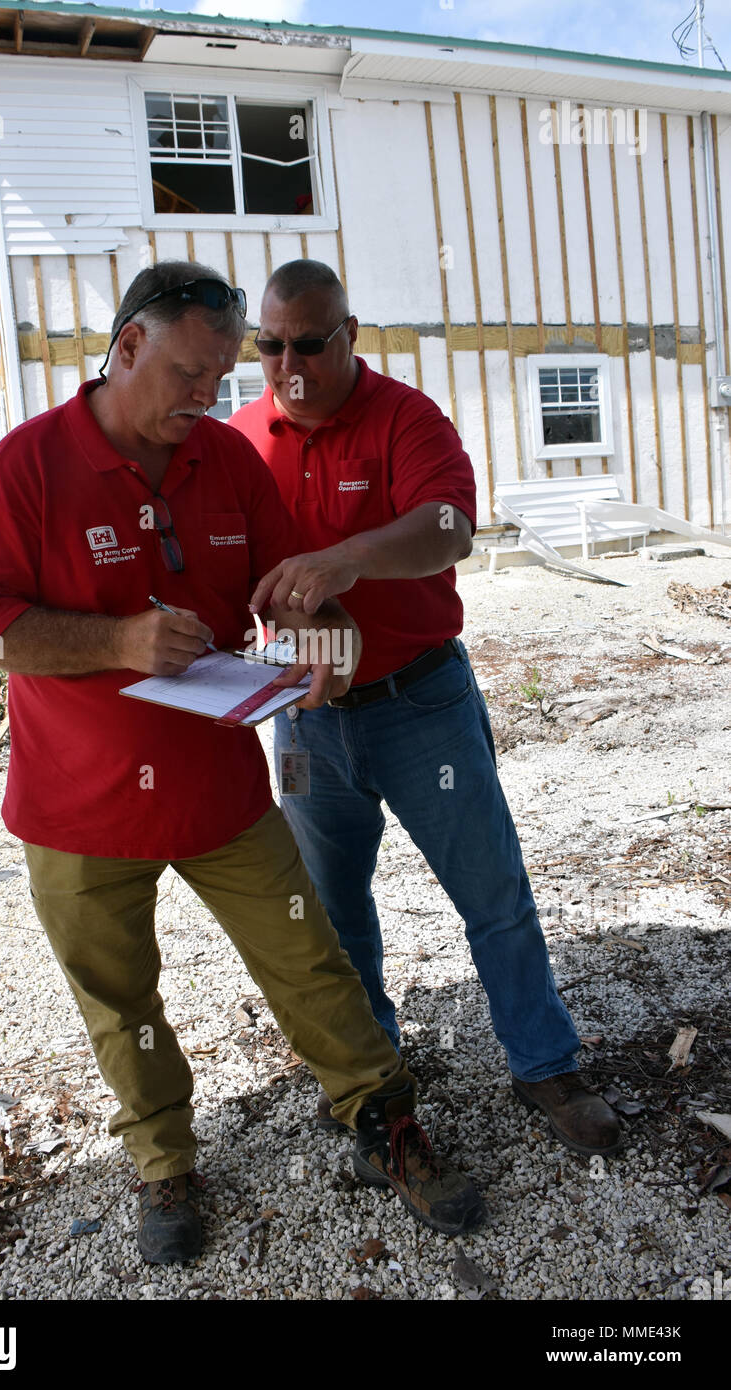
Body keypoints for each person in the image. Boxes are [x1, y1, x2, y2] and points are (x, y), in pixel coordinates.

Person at [0, 261, 487, 1267]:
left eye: (220, 378)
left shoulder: (223, 465)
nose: (208, 397)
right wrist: (116, 642)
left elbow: (293, 603)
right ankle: (164, 1161)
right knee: (122, 1001)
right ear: (126, 346)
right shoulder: (28, 465)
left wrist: (324, 652)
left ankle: (381, 1121)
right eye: (190, 374)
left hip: (223, 793)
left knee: (308, 958)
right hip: (76, 810)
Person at [229, 260, 620, 1158]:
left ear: (351, 333)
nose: (290, 364)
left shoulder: (407, 418)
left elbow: (450, 526)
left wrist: (349, 557)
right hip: (306, 715)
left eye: (311, 343)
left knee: (493, 893)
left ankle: (544, 1064)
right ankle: (377, 1089)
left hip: (421, 702)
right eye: (271, 345)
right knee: (332, 915)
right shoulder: (241, 438)